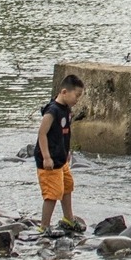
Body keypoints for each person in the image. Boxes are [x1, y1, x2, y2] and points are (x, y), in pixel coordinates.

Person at [35, 74, 85, 233]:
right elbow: (42, 133)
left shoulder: (67, 110)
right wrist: (47, 157)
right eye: (76, 96)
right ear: (64, 92)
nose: (77, 99)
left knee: (67, 186)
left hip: (61, 157)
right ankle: (44, 226)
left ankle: (68, 218)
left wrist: (67, 151)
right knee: (52, 192)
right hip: (49, 159)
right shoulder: (52, 111)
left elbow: (65, 132)